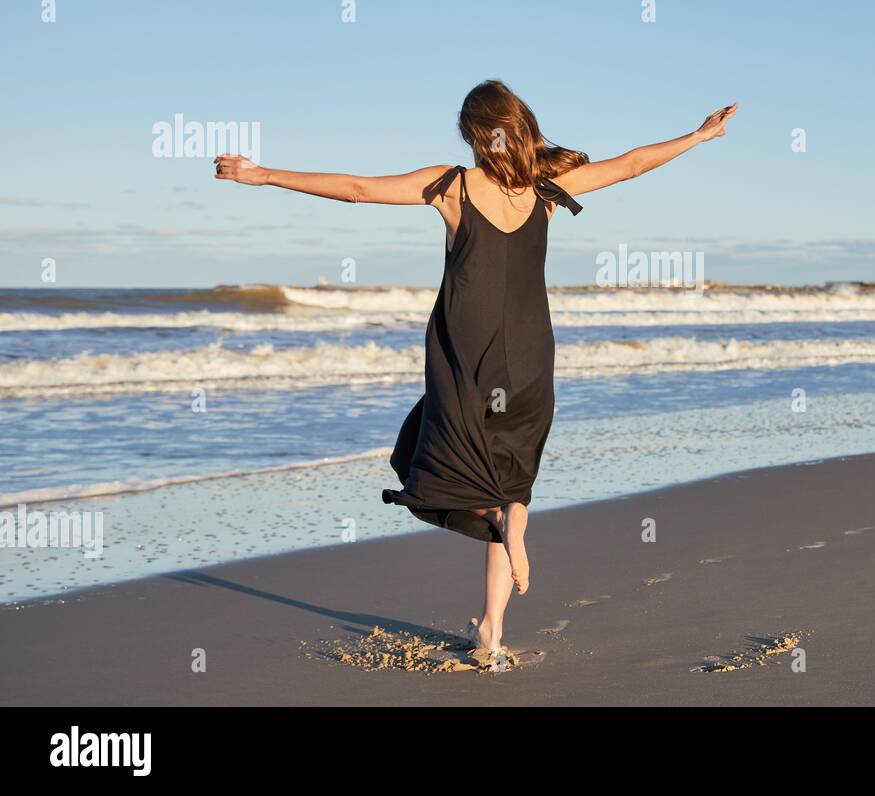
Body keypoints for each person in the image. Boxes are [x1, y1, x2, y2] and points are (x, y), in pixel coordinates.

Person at [215, 79, 737, 651]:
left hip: (465, 357)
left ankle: (501, 532)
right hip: (531, 355)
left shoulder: (453, 186)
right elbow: (633, 164)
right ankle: (492, 628)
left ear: (473, 134)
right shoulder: (547, 187)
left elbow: (358, 189)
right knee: (507, 482)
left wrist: (265, 175)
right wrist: (699, 136)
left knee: (433, 463)